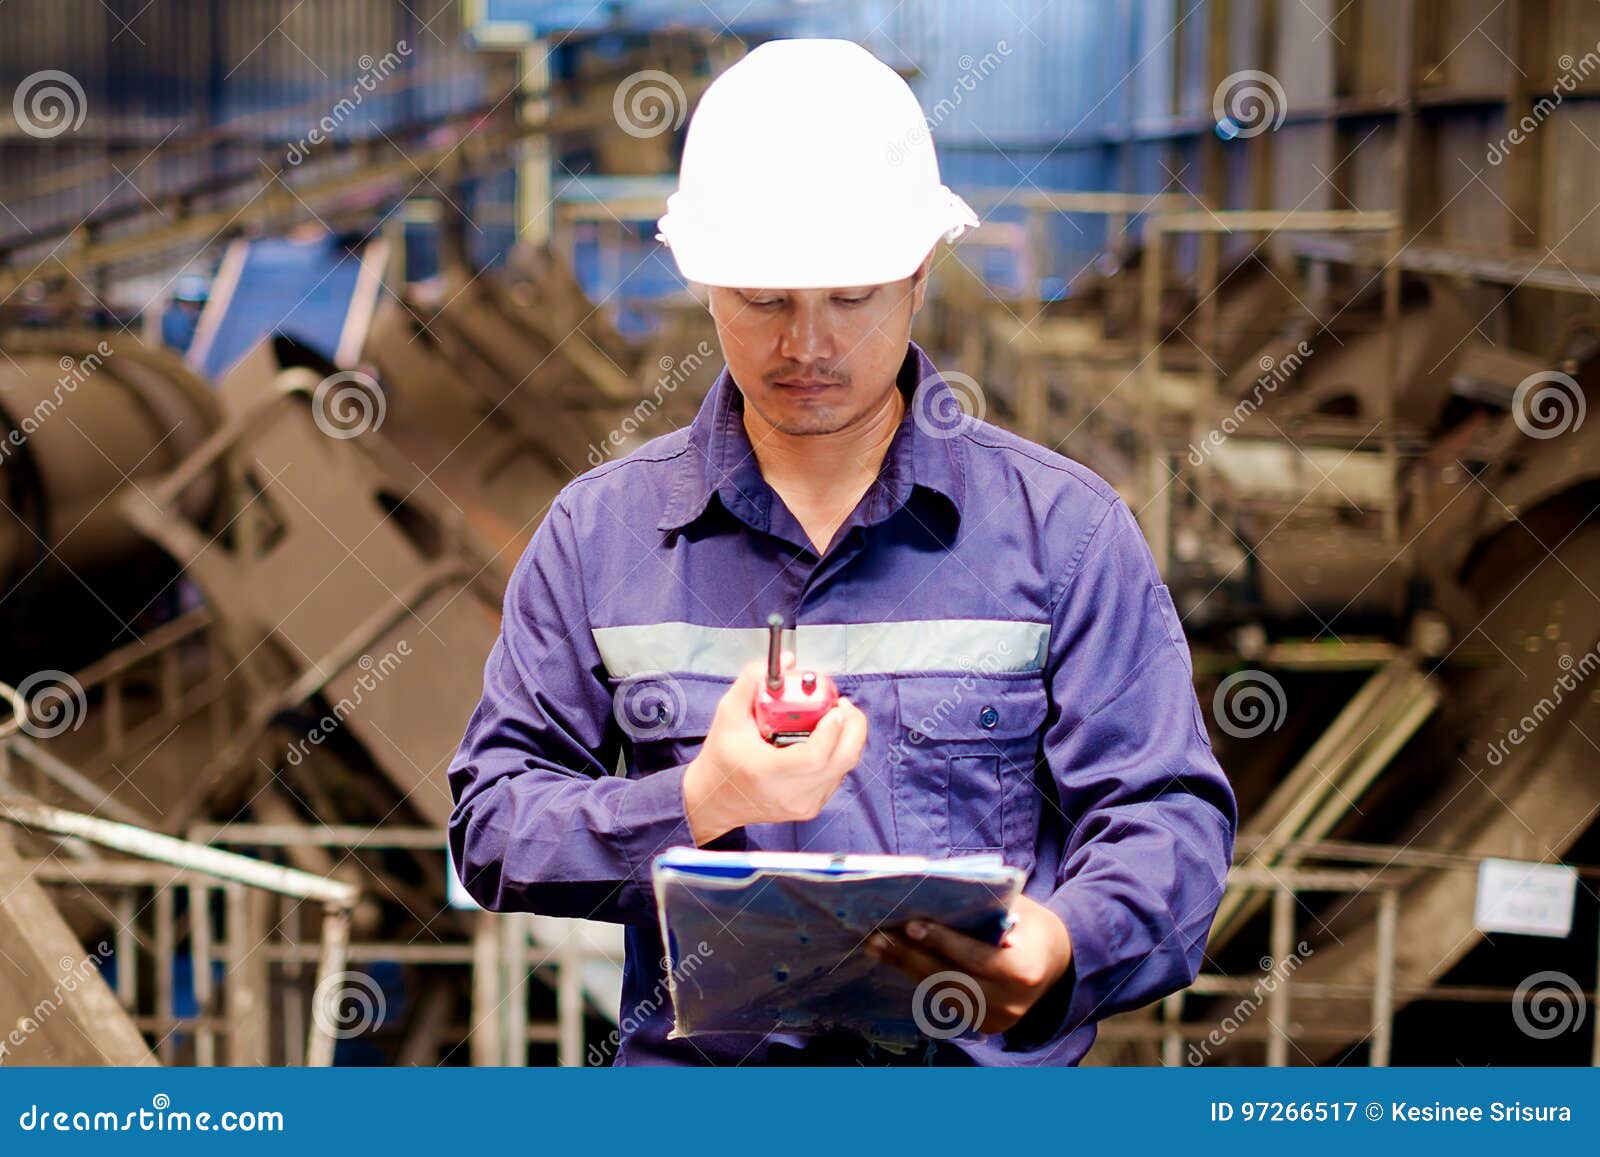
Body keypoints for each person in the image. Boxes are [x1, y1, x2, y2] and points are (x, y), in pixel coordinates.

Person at [448, 38, 1235, 1066]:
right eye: (764, 301)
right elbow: (496, 820)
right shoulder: (599, 536)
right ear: (705, 284)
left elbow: (1163, 815)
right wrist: (698, 801)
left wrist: (1059, 942)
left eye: (850, 297)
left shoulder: (1064, 535)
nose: (806, 344)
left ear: (916, 275)